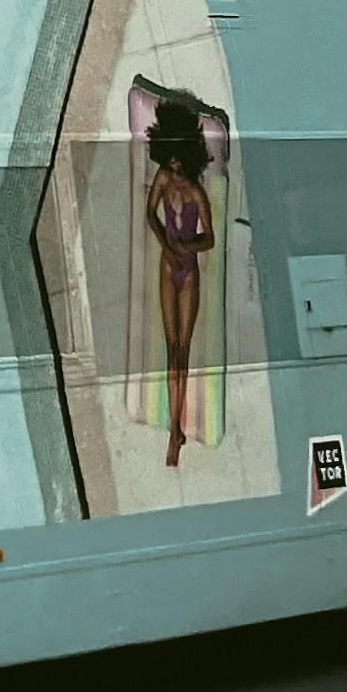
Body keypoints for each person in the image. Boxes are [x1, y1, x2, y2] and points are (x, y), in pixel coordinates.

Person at [143, 100, 218, 470]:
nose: (171, 170)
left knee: (182, 351)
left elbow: (210, 239)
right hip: (168, 266)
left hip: (188, 271)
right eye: (167, 161)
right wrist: (165, 246)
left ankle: (176, 431)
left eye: (176, 163)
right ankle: (174, 428)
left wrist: (183, 247)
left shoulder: (195, 192)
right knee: (170, 348)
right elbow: (150, 214)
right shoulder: (162, 178)